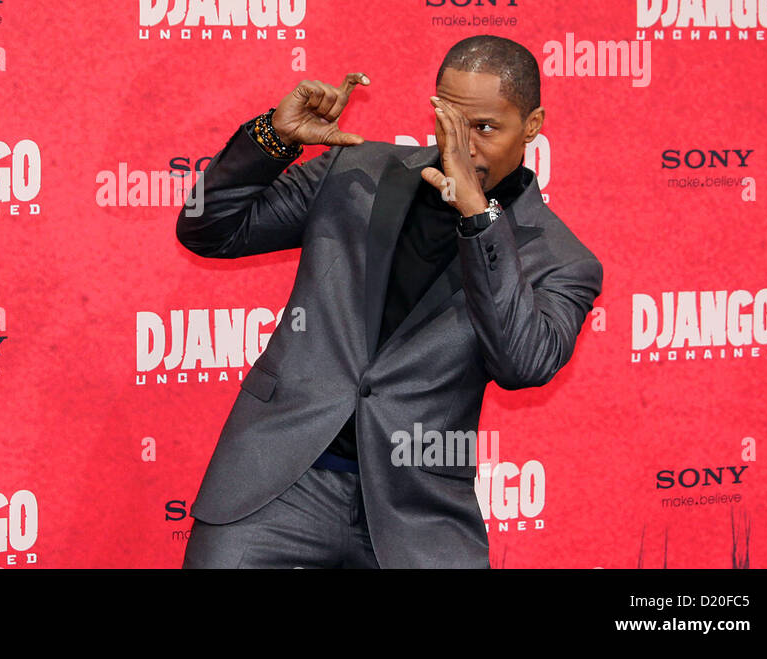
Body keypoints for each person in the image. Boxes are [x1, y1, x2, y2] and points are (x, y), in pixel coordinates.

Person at [176, 35, 602, 568]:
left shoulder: (563, 259)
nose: (463, 145)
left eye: (486, 128)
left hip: (416, 514)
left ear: (533, 125)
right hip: (277, 484)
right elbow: (208, 231)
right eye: (451, 118)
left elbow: (522, 364)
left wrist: (478, 215)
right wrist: (272, 138)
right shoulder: (354, 173)